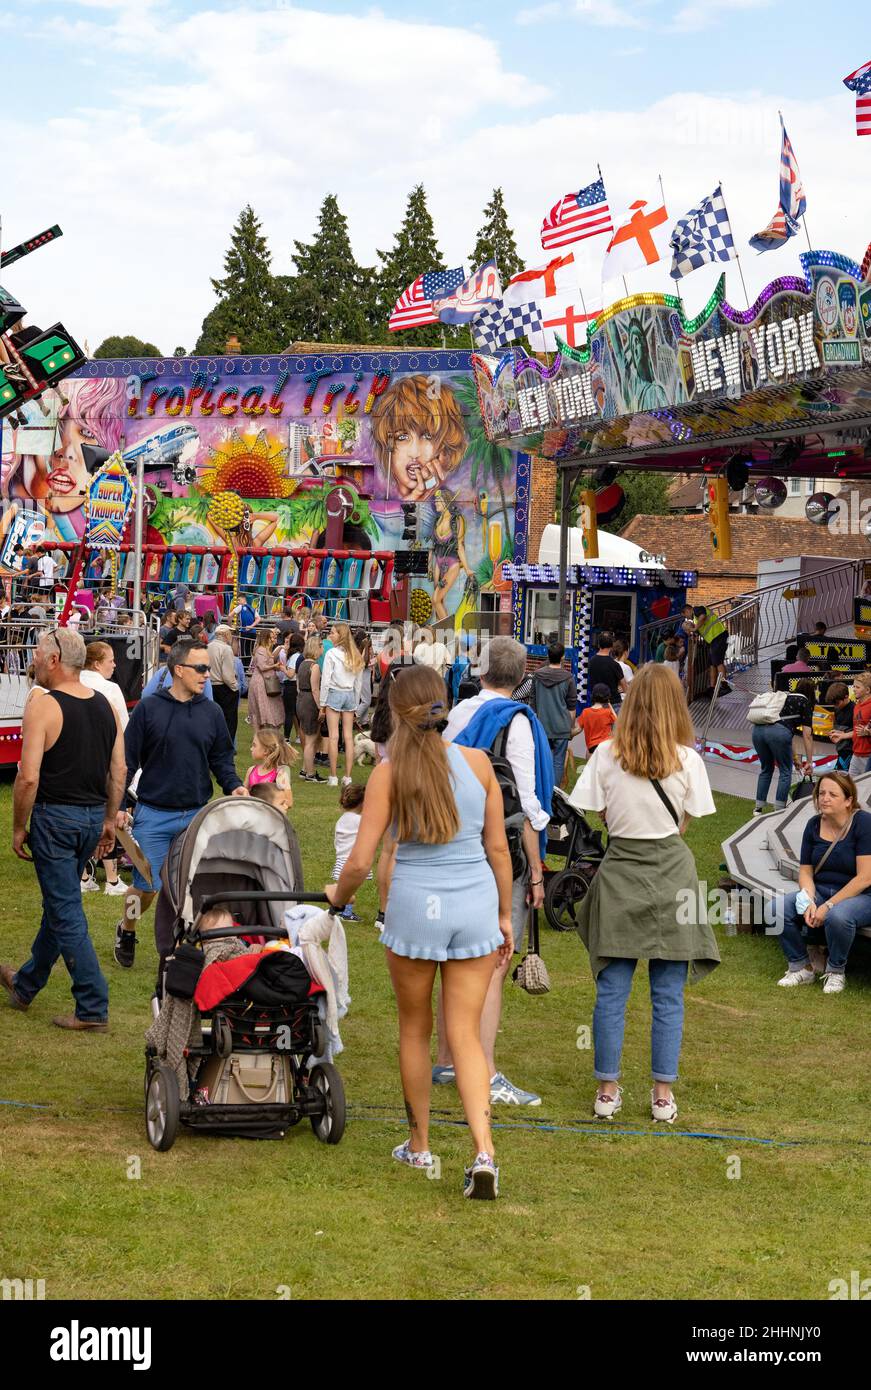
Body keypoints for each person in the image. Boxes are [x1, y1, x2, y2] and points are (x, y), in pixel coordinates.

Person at [326, 665, 513, 1199]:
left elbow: (361, 860)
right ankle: (484, 1152)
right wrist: (504, 916)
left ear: (394, 711)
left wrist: (337, 899)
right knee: (467, 1036)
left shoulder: (388, 774)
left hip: (415, 907)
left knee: (415, 1028)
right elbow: (499, 850)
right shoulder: (478, 764)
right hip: (475, 904)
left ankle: (420, 1144)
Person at [569, 663, 719, 1124]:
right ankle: (661, 1095)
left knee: (612, 990)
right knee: (668, 993)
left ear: (630, 702)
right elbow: (685, 822)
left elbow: (594, 812)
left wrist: (619, 823)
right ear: (675, 704)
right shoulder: (688, 759)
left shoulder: (608, 754)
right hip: (672, 869)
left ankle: (608, 1090)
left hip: (621, 868)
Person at [437, 635, 553, 1107]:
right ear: (523, 677)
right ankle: (484, 1070)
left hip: (453, 845)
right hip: (499, 850)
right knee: (493, 961)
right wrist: (540, 874)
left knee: (456, 958)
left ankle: (447, 1060)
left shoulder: (458, 715)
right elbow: (528, 807)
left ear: (479, 671)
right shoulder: (520, 723)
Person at [1, 627, 125, 1031]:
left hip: (56, 819)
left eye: (36, 652)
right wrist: (108, 820)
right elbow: (118, 770)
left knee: (66, 909)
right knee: (60, 904)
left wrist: (19, 827)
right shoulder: (105, 705)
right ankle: (25, 984)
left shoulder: (44, 706)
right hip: (90, 818)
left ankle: (92, 1004)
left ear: (54, 661)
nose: (32, 659)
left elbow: (28, 778)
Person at [115, 637, 247, 970]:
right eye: (201, 668)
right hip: (153, 815)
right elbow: (127, 761)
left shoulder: (212, 712)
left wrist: (235, 785)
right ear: (178, 669)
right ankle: (127, 928)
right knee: (145, 889)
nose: (207, 674)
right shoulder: (148, 709)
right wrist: (118, 804)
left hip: (196, 817)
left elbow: (221, 759)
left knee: (191, 889)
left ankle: (182, 948)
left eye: (209, 668)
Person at [776, 772, 871, 995]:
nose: (824, 798)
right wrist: (808, 899)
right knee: (777, 909)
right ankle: (801, 967)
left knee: (838, 916)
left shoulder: (864, 824)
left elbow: (865, 877)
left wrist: (828, 905)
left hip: (861, 895)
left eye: (832, 794)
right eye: (821, 793)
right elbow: (806, 871)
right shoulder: (813, 824)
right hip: (820, 890)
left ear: (848, 800)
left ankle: (836, 971)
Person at [79, 641, 130, 897]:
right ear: (97, 663)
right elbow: (124, 728)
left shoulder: (73, 684)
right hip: (105, 761)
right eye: (111, 660)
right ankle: (111, 879)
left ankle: (86, 875)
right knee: (106, 817)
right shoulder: (110, 689)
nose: (115, 664)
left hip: (76, 763)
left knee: (87, 815)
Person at [751, 679, 815, 814]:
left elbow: (787, 734)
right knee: (785, 772)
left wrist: (795, 758)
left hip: (758, 731)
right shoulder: (805, 702)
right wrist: (809, 761)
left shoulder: (783, 697)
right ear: (811, 692)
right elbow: (807, 735)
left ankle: (758, 808)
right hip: (779, 733)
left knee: (766, 769)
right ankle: (779, 809)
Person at [319, 623, 364, 788]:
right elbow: (359, 684)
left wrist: (322, 703)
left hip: (335, 693)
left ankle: (333, 776)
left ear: (340, 635)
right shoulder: (355, 655)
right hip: (350, 694)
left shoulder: (331, 653)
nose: (330, 635)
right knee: (348, 737)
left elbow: (326, 680)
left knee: (334, 736)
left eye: (332, 633)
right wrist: (356, 704)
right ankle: (347, 776)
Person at [529, 642, 577, 789]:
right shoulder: (568, 677)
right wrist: (570, 727)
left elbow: (533, 701)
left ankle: (541, 790)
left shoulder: (537, 676)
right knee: (558, 762)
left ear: (548, 656)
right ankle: (554, 795)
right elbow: (572, 706)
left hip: (542, 725)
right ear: (563, 657)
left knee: (541, 760)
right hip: (561, 726)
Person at [332, 782, 367, 921]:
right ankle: (347, 913)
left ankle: (336, 909)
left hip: (341, 858)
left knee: (341, 887)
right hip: (353, 859)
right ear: (362, 802)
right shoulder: (360, 820)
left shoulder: (342, 819)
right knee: (351, 888)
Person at [296, 635, 324, 782]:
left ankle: (304, 769)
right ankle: (311, 774)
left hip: (301, 700)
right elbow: (315, 690)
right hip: (310, 702)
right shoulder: (315, 666)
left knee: (307, 738)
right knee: (311, 741)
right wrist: (321, 708)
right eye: (321, 646)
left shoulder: (301, 664)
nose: (322, 649)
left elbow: (298, 685)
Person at [244, 728, 296, 809]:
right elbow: (243, 795)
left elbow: (289, 802)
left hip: (270, 818)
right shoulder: (251, 770)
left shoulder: (280, 774)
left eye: (254, 745)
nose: (251, 748)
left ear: (265, 750)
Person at [247, 627, 284, 734]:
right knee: (261, 707)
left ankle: (266, 732)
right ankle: (259, 735)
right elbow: (262, 666)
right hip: (261, 682)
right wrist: (275, 665)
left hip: (267, 681)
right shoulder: (261, 650)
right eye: (271, 638)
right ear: (265, 638)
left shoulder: (266, 650)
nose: (273, 639)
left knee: (269, 706)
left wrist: (275, 666)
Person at [208, 624, 240, 742]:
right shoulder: (226, 649)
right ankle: (227, 746)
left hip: (211, 685)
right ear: (225, 634)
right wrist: (235, 687)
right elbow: (227, 675)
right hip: (224, 687)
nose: (231, 635)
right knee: (229, 721)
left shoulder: (208, 646)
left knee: (213, 719)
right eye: (229, 633)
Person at [691, 605, 731, 697]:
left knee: (718, 662)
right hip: (713, 640)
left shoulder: (696, 609)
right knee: (711, 664)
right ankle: (712, 688)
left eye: (685, 616)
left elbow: (703, 617)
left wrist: (694, 629)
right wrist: (695, 632)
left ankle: (725, 686)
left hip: (718, 636)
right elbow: (703, 627)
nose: (687, 618)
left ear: (686, 611)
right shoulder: (695, 620)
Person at [277, 631, 304, 742]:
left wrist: (282, 668)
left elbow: (290, 674)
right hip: (293, 686)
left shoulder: (294, 657)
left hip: (291, 686)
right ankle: (296, 736)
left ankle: (286, 738)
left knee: (289, 713)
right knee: (293, 713)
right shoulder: (297, 656)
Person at [588, 631, 627, 706]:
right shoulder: (614, 665)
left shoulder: (591, 662)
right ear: (612, 645)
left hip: (596, 704)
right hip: (613, 704)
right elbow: (624, 686)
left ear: (599, 644)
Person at [579, 684, 617, 755]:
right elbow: (618, 721)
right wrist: (609, 704)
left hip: (591, 747)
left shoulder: (585, 712)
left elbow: (578, 729)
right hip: (605, 746)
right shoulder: (607, 712)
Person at [826, 681, 854, 773]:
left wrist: (843, 735)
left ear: (846, 696)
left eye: (837, 703)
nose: (835, 706)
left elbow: (857, 732)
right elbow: (838, 728)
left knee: (841, 776)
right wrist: (833, 733)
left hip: (850, 751)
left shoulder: (854, 709)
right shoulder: (837, 709)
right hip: (841, 749)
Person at [849, 670, 871, 779]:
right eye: (853, 686)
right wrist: (843, 735)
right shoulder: (857, 706)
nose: (853, 689)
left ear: (867, 690)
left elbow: (865, 730)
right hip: (856, 754)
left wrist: (868, 732)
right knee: (851, 789)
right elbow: (857, 730)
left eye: (857, 687)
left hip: (868, 756)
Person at [230, 594, 258, 662]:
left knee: (243, 651)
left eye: (239, 600)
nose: (238, 602)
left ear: (244, 599)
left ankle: (244, 668)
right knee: (250, 651)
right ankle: (247, 667)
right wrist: (252, 626)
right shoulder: (252, 608)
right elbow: (259, 618)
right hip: (253, 633)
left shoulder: (240, 606)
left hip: (244, 632)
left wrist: (230, 626)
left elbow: (229, 615)